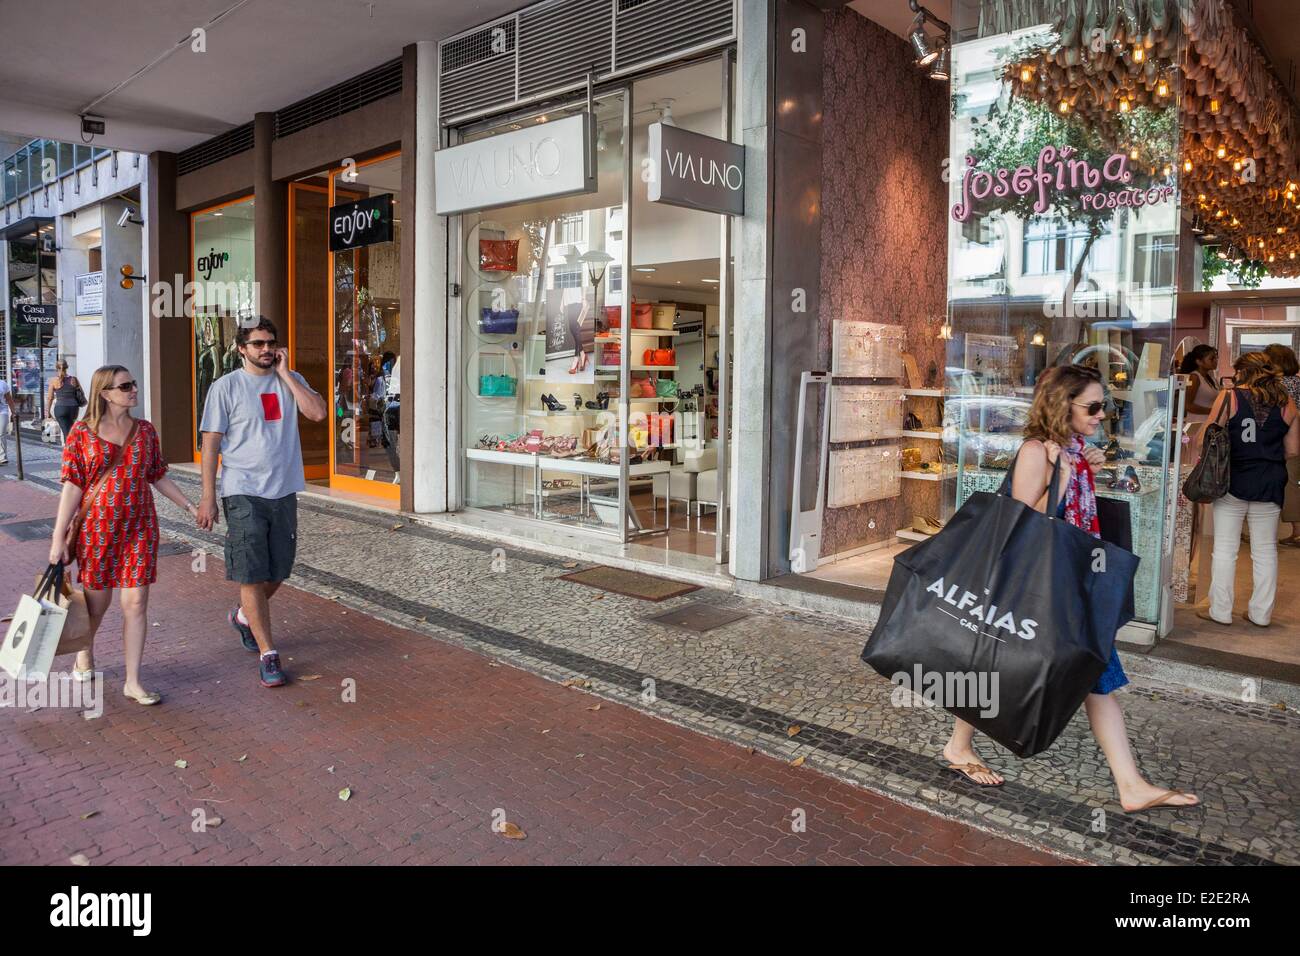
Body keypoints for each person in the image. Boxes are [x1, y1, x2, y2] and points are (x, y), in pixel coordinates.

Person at [942, 364, 1199, 812]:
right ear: (1063, 405)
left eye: (1107, 406)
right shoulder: (1036, 452)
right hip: (1040, 586)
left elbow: (1076, 515)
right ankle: (1128, 784)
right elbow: (1021, 523)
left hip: (1071, 582)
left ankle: (1130, 784)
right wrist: (1060, 472)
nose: (1103, 415)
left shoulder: (1072, 449)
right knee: (1025, 664)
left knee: (1083, 673)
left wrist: (1083, 464)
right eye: (1094, 406)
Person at [47, 366, 199, 705]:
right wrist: (58, 537)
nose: (133, 390)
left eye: (133, 384)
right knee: (97, 605)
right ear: (105, 393)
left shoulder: (144, 431)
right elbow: (72, 486)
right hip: (96, 531)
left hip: (139, 530)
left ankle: (133, 681)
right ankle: (84, 652)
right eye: (125, 386)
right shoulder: (82, 433)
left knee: (136, 603)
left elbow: (157, 475)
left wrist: (190, 506)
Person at [196, 317, 327, 688]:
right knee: (252, 571)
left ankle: (243, 617)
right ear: (241, 349)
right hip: (242, 490)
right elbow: (210, 444)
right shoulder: (226, 387)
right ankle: (269, 653)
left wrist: (286, 376)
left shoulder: (291, 380)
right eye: (257, 344)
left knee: (279, 569)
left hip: (284, 489)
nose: (266, 349)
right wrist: (208, 495)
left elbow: (317, 413)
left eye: (271, 343)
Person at [1195, 353, 1300, 626]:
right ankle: (1261, 614)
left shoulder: (1229, 397)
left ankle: (1220, 611)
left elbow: (1207, 434)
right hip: (1270, 481)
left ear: (1242, 371)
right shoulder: (1288, 404)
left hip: (1233, 480)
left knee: (1225, 548)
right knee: (1265, 550)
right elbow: (1293, 450)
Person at [1263, 345, 1300, 547]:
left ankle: (1297, 531)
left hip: (1287, 439)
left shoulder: (1281, 384)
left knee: (1290, 485)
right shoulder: (1296, 381)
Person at [1178, 344, 1220, 438]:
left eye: (1216, 358)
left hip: (1209, 423)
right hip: (1197, 425)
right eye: (1212, 358)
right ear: (1199, 361)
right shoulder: (1194, 378)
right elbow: (1188, 405)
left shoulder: (1211, 378)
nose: (1215, 361)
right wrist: (1212, 411)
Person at [45, 359, 86, 444]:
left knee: (66, 432)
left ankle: (70, 453)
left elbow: (50, 398)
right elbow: (81, 393)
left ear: (56, 368)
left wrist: (47, 412)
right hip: (73, 408)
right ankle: (74, 450)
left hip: (60, 408)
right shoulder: (74, 379)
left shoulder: (53, 381)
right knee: (71, 430)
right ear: (67, 367)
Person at [0, 374, 15, 466]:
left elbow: (9, 399)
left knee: (1, 434)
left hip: (2, 412)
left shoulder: (2, 384)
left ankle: (2, 457)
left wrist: (13, 412)